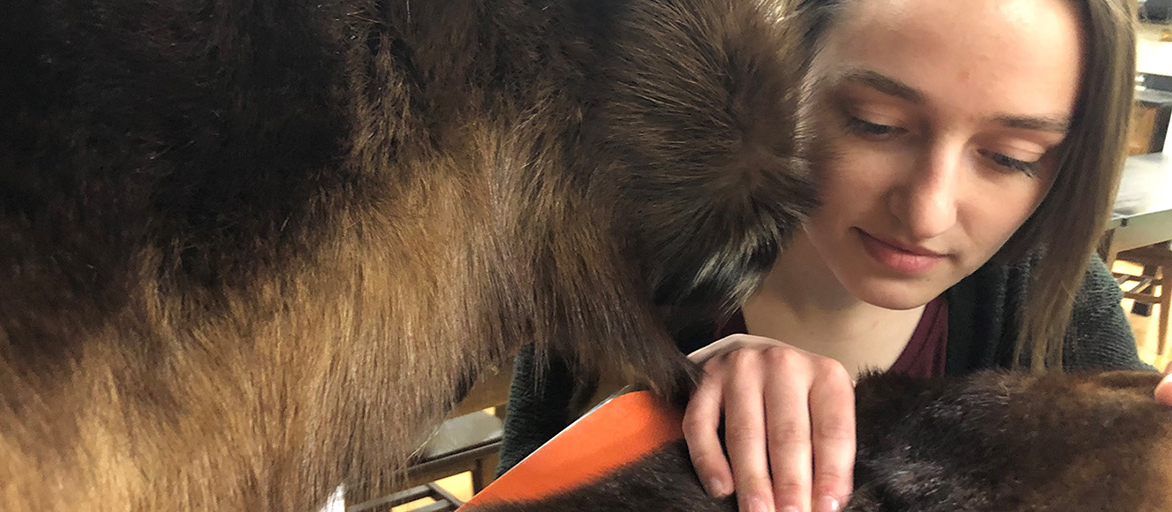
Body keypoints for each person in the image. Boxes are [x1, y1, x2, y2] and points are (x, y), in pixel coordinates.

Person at [497, 0, 1172, 511]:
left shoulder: (1047, 298)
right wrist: (658, 407)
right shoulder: (614, 278)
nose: (928, 212)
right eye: (875, 125)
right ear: (780, 88)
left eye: (1008, 158)